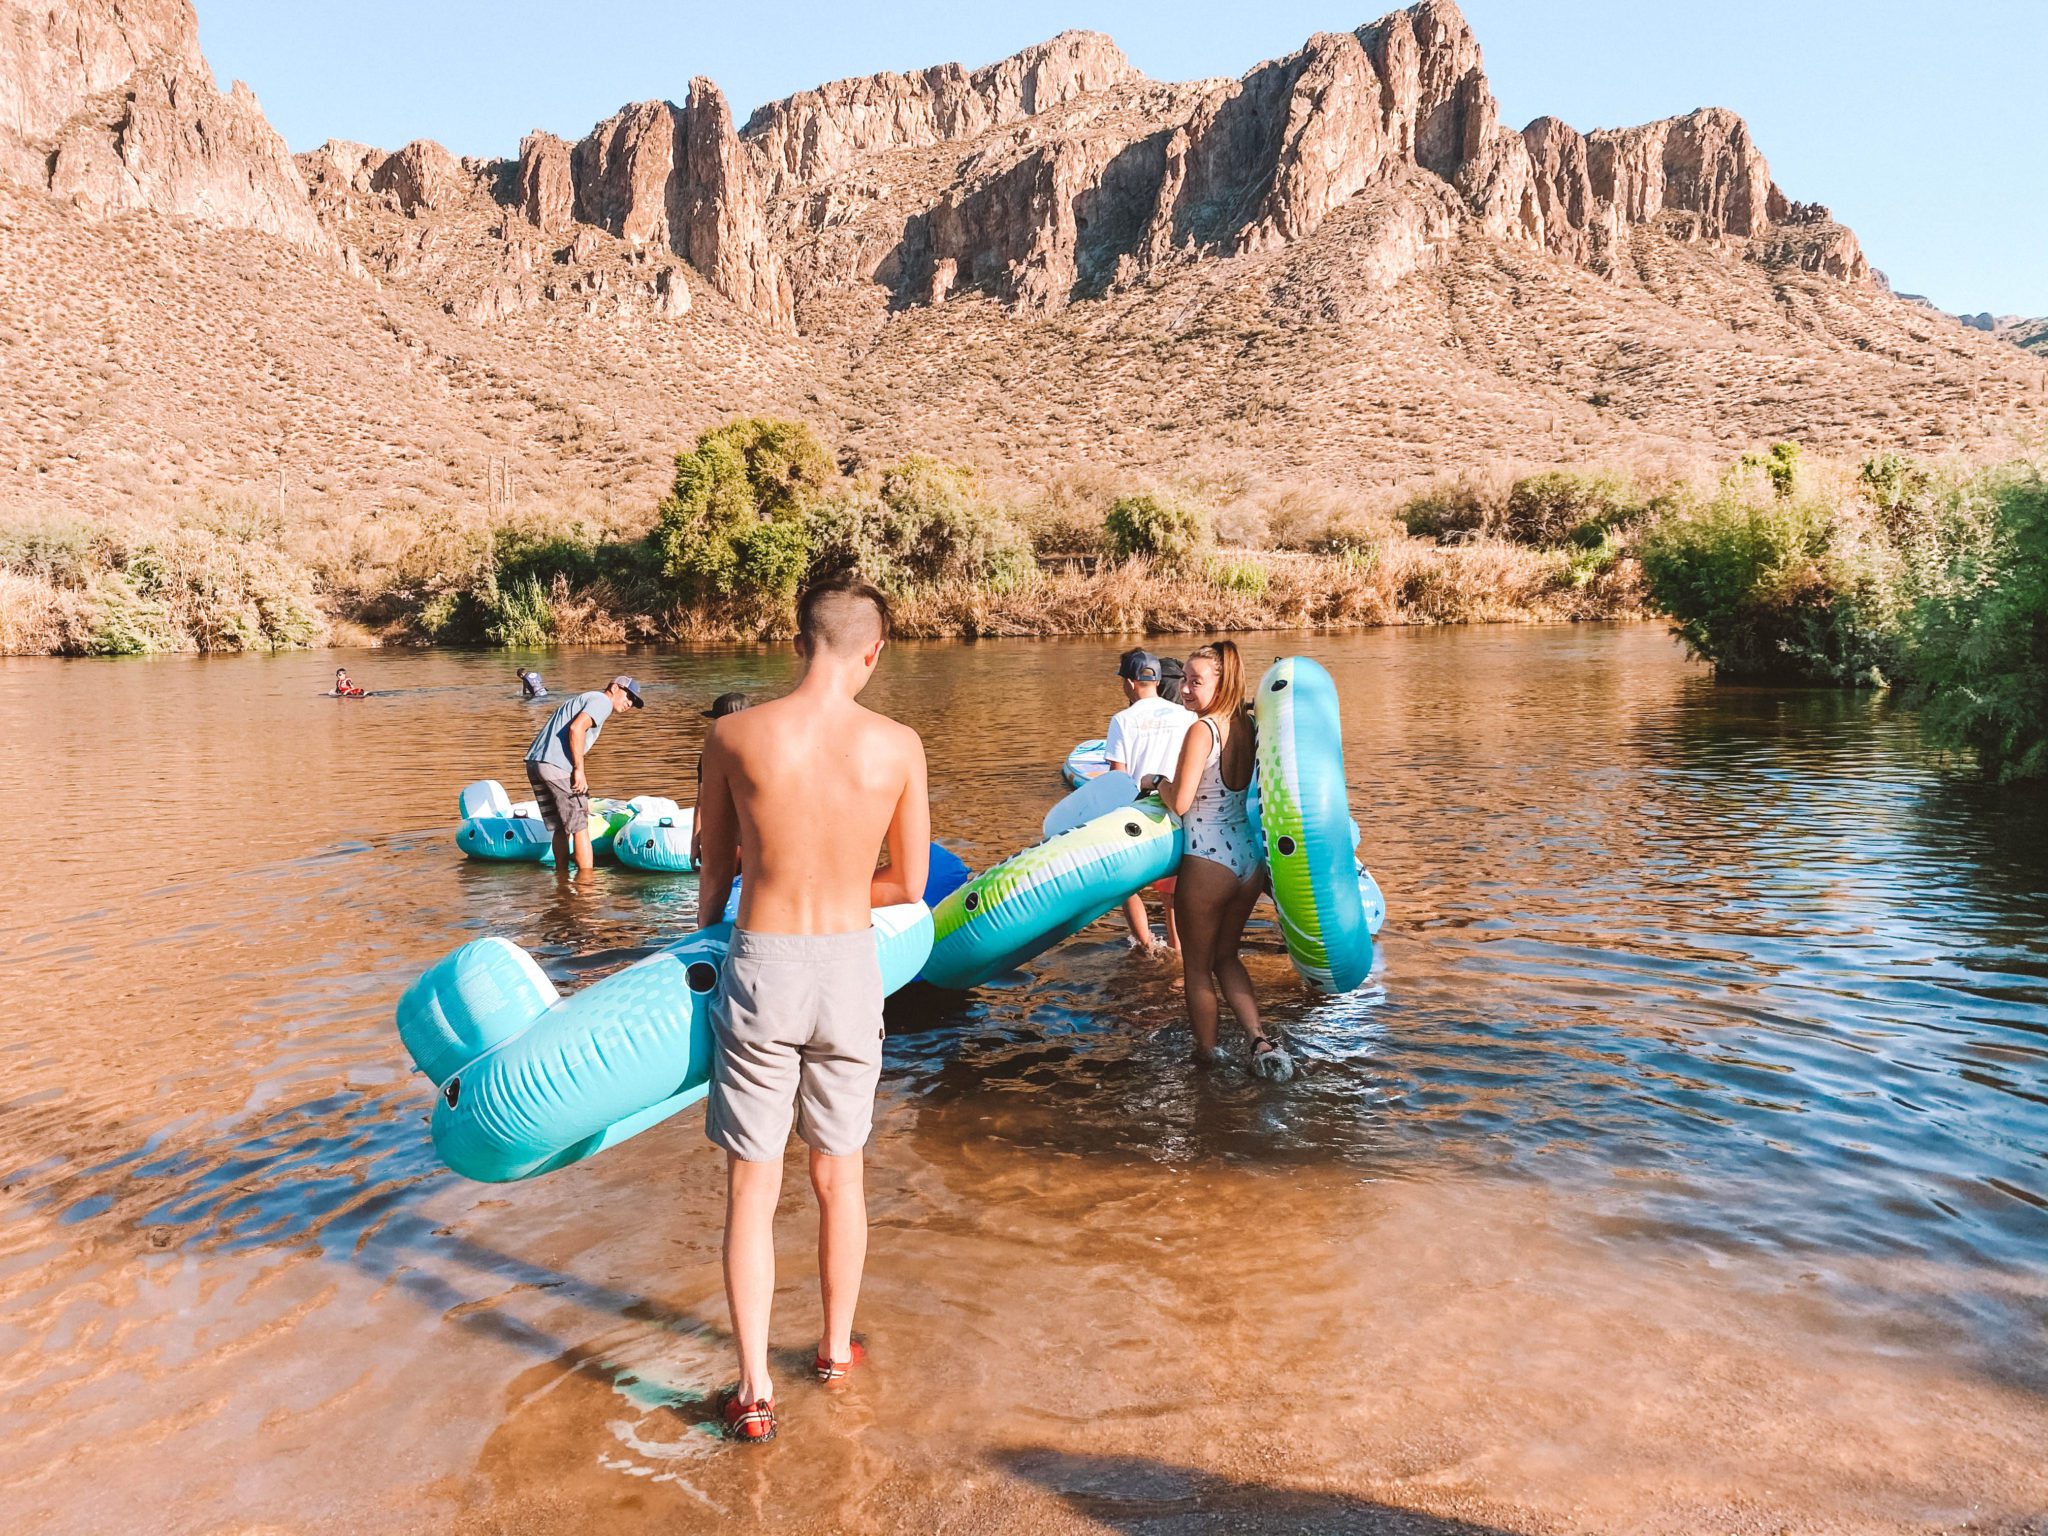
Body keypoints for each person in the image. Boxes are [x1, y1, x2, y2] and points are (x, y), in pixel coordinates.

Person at [694, 574, 930, 1445]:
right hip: (848, 968)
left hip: (762, 964)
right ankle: (833, 1351)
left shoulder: (731, 735)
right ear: (873, 651)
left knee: (752, 1189)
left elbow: (712, 877)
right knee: (840, 1176)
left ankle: (755, 1391)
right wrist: (840, 886)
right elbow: (906, 883)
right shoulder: (898, 745)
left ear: (797, 642)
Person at [1140, 641, 1288, 1079]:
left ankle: (1206, 1062)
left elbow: (1181, 802)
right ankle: (1259, 1041)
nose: (1183, 689)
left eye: (1195, 681)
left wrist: (1157, 781)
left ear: (1221, 684)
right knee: (1228, 958)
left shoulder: (1203, 730)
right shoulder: (1247, 725)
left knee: (1197, 969)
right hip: (1247, 862)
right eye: (1183, 679)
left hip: (1208, 860)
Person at [1105, 649, 1194, 952]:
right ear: (1157, 680)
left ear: (1130, 683)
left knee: (1125, 888)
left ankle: (1147, 947)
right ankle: (1177, 952)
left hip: (1137, 815)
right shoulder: (1186, 715)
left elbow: (1116, 780)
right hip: (1176, 811)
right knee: (1171, 898)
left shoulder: (1122, 720)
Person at [522, 675, 644, 874]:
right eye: (628, 695)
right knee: (580, 825)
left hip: (536, 764)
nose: (629, 702)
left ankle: (561, 879)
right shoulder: (601, 701)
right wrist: (579, 770)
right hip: (556, 765)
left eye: (634, 701)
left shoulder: (585, 699)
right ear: (614, 688)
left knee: (561, 827)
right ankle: (586, 890)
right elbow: (576, 728)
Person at [689, 692, 754, 869]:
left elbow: (703, 802)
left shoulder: (712, 753)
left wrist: (695, 844)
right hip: (761, 841)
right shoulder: (766, 747)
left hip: (728, 845)